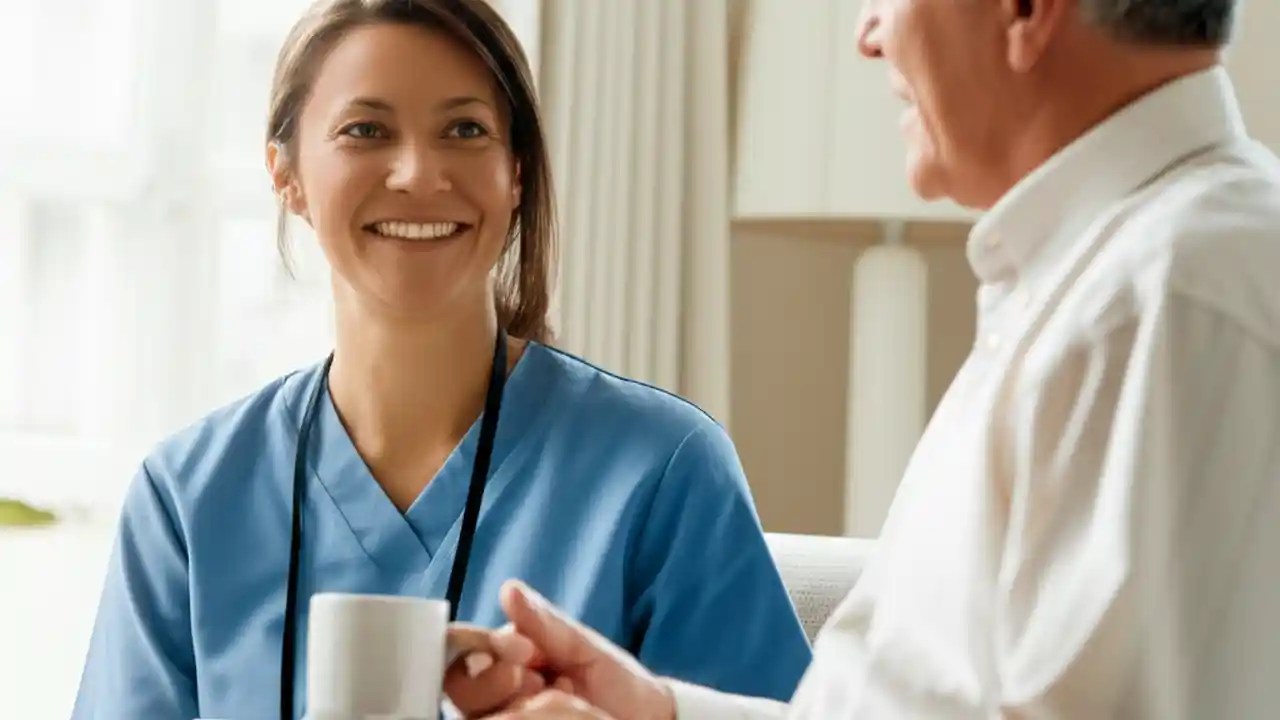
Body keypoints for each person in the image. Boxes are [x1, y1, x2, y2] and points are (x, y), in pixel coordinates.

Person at [446, 0, 1280, 717]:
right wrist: (657, 713)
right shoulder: (1104, 286)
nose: (868, 33)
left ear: (1026, 9)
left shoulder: (1169, 304)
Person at [70, 1, 812, 717]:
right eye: (365, 130)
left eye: (464, 129)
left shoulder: (663, 470)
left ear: (516, 173)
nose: (419, 174)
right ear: (286, 175)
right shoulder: (188, 498)